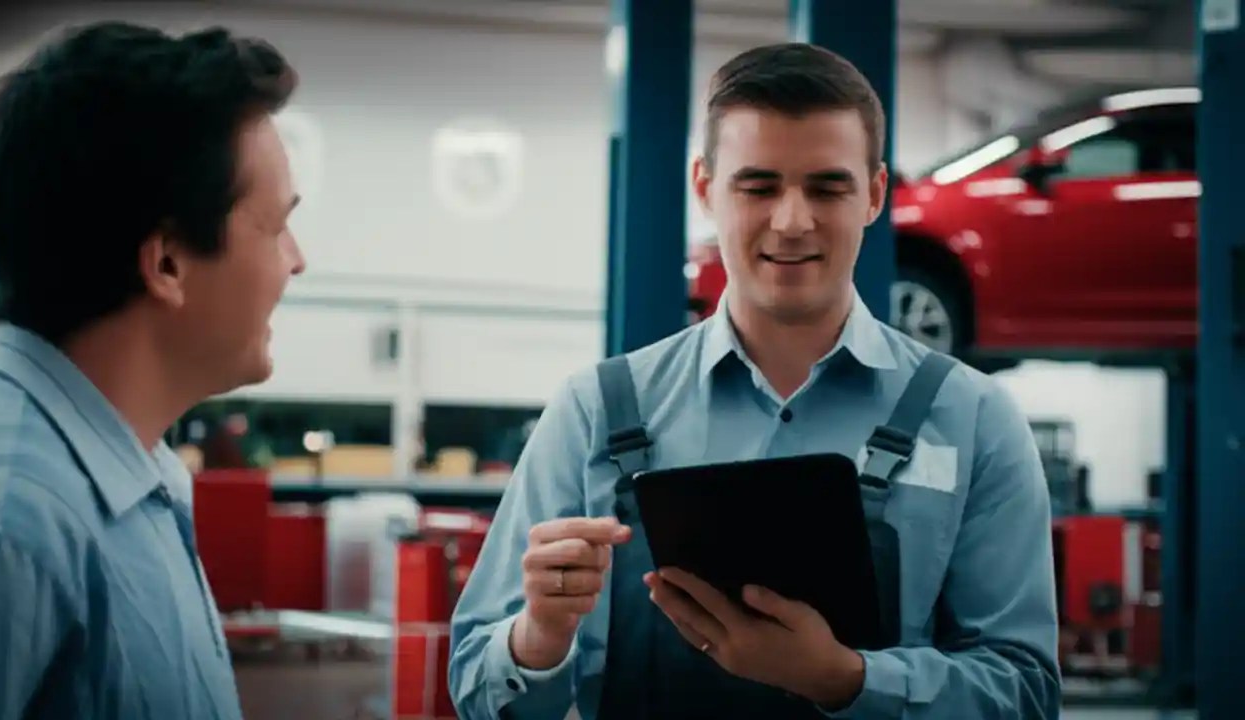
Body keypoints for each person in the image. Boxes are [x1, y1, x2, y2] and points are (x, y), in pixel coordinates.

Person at [449, 43, 1060, 719]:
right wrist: (539, 638)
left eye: (827, 187)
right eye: (758, 186)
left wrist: (844, 679)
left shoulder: (972, 419)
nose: (792, 220)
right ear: (706, 188)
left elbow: (1025, 694)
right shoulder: (597, 410)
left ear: (876, 194)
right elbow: (478, 685)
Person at [0, 21, 305, 719]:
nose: (296, 262)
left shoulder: (132, 480)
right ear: (168, 263)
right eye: (275, 228)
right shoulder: (4, 523)